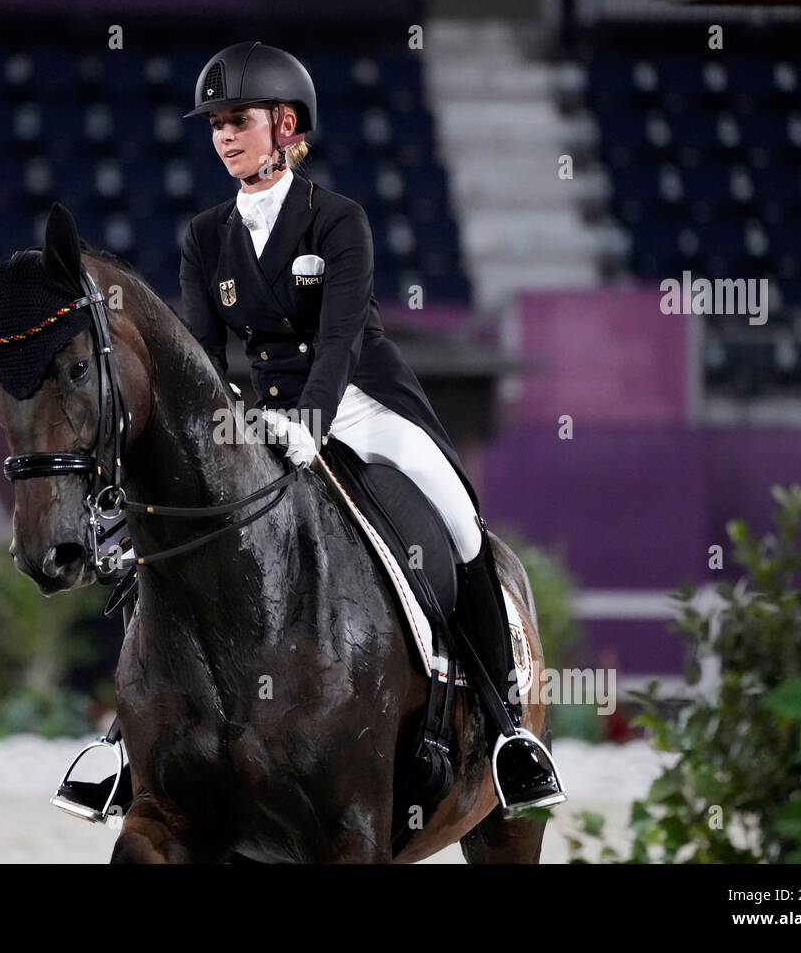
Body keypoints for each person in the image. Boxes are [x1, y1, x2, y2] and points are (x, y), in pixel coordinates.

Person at [54, 41, 564, 821]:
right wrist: (232, 424)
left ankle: (505, 735)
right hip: (258, 412)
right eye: (216, 125)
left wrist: (312, 420)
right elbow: (197, 356)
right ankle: (131, 737)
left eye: (239, 121)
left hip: (363, 404)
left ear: (285, 125)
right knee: (169, 542)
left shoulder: (338, 220)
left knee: (460, 529)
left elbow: (340, 341)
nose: (224, 136)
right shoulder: (205, 236)